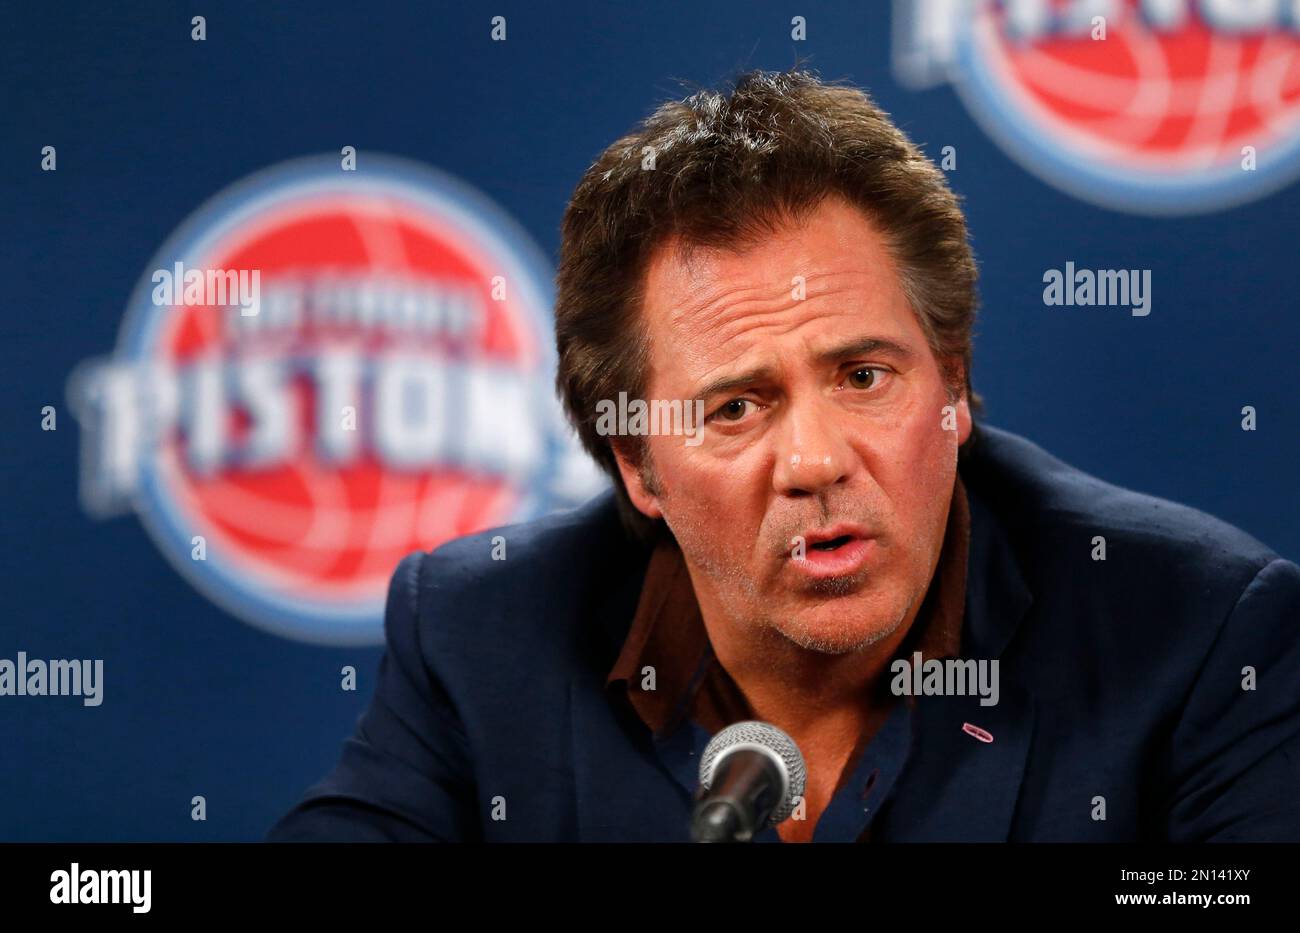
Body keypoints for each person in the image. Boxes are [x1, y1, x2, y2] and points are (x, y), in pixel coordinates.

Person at [267, 69, 1300, 842]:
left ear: (953, 388)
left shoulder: (1198, 636)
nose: (813, 462)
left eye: (863, 378)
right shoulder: (482, 635)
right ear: (638, 466)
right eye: (734, 407)